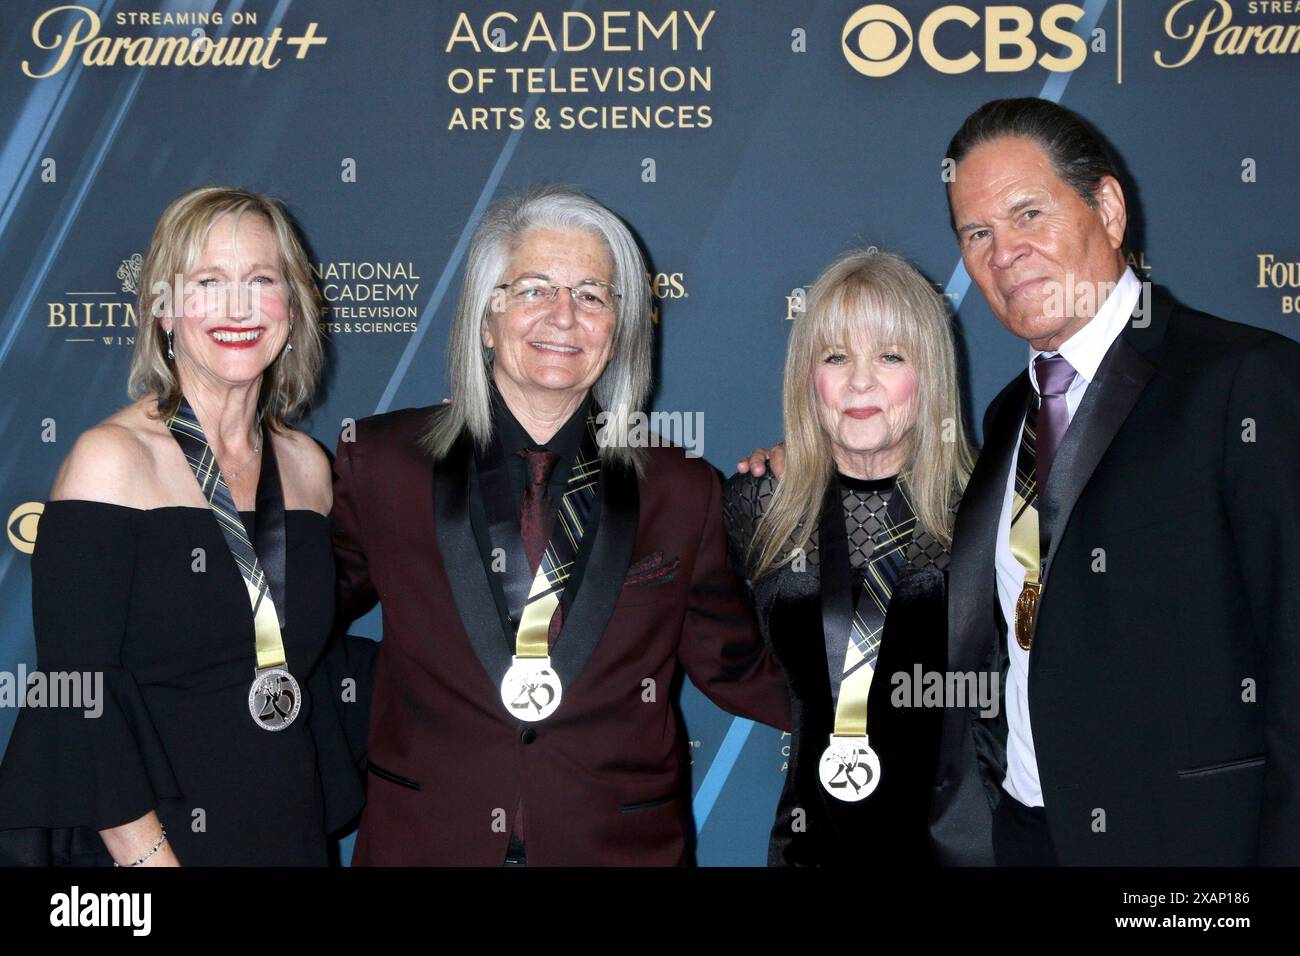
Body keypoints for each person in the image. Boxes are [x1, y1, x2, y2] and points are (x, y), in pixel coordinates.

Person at [331, 184, 790, 866]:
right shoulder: (381, 463)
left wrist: (890, 699)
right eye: (535, 288)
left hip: (617, 848)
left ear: (620, 328)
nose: (564, 316)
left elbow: (735, 665)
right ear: (487, 319)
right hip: (424, 844)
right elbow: (296, 620)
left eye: (593, 295)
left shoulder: (681, 487)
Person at [930, 97, 1299, 865]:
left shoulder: (1243, 380)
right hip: (1028, 838)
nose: (1005, 253)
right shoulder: (1008, 417)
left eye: (1029, 213)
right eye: (978, 233)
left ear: (1107, 205)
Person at [0, 186, 372, 866]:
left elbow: (320, 658)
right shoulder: (111, 461)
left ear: (292, 306)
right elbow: (78, 698)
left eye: (261, 280)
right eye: (208, 282)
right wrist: (151, 864)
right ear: (164, 310)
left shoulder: (308, 467)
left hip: (285, 828)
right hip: (140, 851)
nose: (238, 307)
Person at [724, 250, 973, 866]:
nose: (860, 381)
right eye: (836, 357)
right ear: (808, 375)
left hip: (955, 853)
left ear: (931, 373)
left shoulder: (986, 513)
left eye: (890, 356)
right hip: (808, 852)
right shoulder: (759, 504)